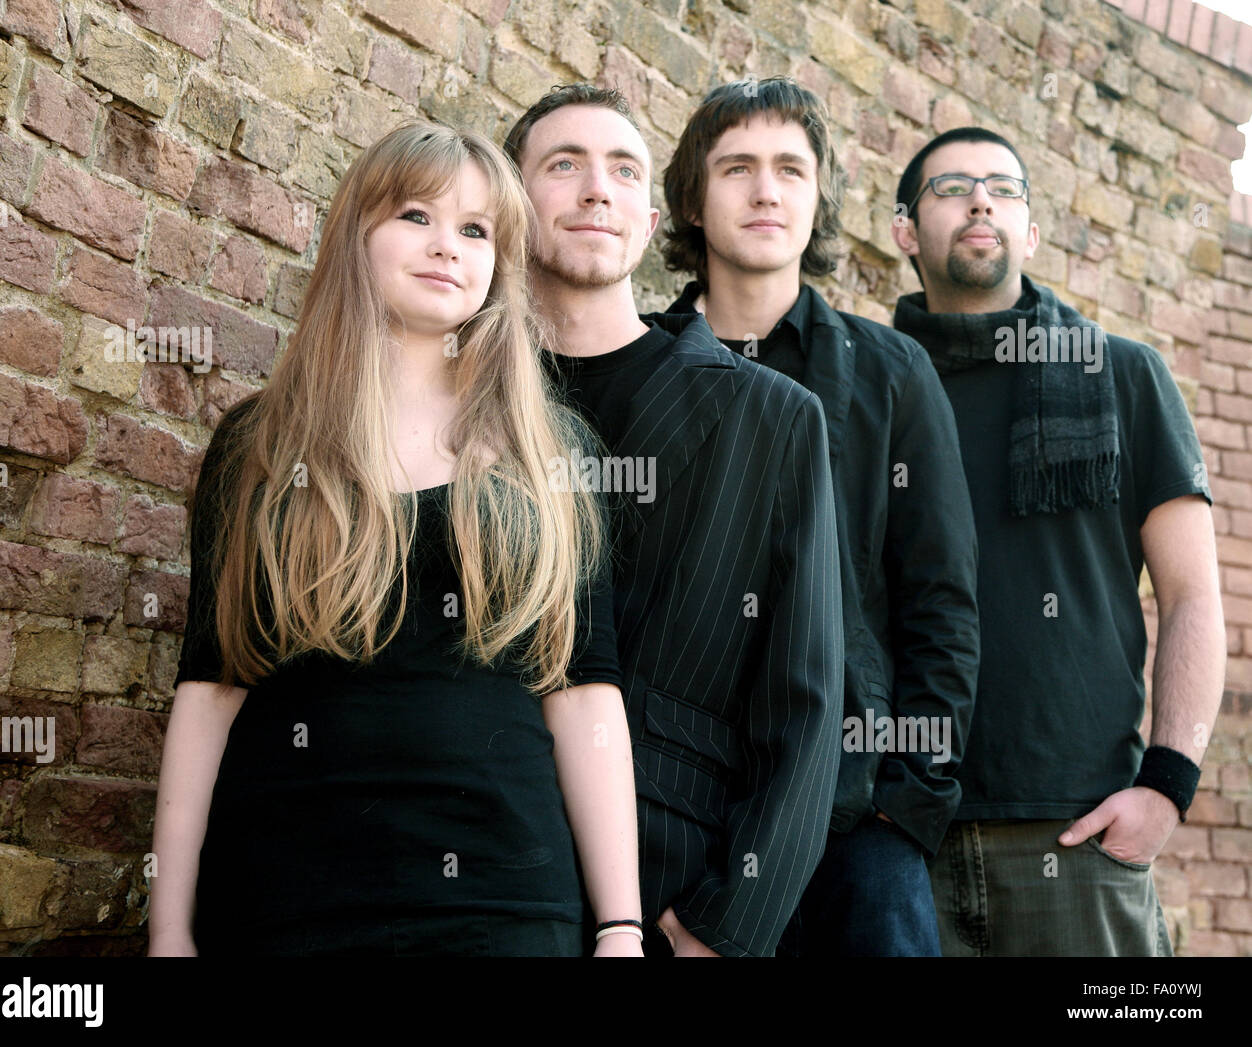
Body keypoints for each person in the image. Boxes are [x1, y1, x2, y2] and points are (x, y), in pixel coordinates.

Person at [148, 121, 643, 957]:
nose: (447, 245)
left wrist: (621, 926)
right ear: (357, 235)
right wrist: (167, 930)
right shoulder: (259, 444)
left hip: (504, 901)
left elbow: (584, 694)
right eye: (417, 216)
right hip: (283, 896)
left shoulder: (554, 453)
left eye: (476, 230)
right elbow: (211, 688)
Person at [504, 85, 844, 957]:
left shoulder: (773, 417)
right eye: (564, 165)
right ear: (509, 204)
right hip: (473, 859)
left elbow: (805, 702)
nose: (597, 189)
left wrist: (728, 926)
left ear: (650, 221)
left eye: (623, 170)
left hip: (669, 887)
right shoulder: (458, 397)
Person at [660, 77, 980, 957]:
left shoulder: (892, 372)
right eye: (737, 168)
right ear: (691, 200)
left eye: (790, 170)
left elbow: (941, 602)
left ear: (817, 198)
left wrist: (906, 804)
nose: (766, 190)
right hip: (681, 813)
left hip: (856, 818)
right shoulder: (645, 361)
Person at [889, 126, 1226, 956]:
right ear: (905, 232)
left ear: (1031, 232)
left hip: (1079, 833)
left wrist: (1167, 786)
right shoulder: (871, 384)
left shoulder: (1124, 375)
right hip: (899, 832)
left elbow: (1192, 596)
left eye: (1004, 189)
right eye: (952, 187)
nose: (980, 201)